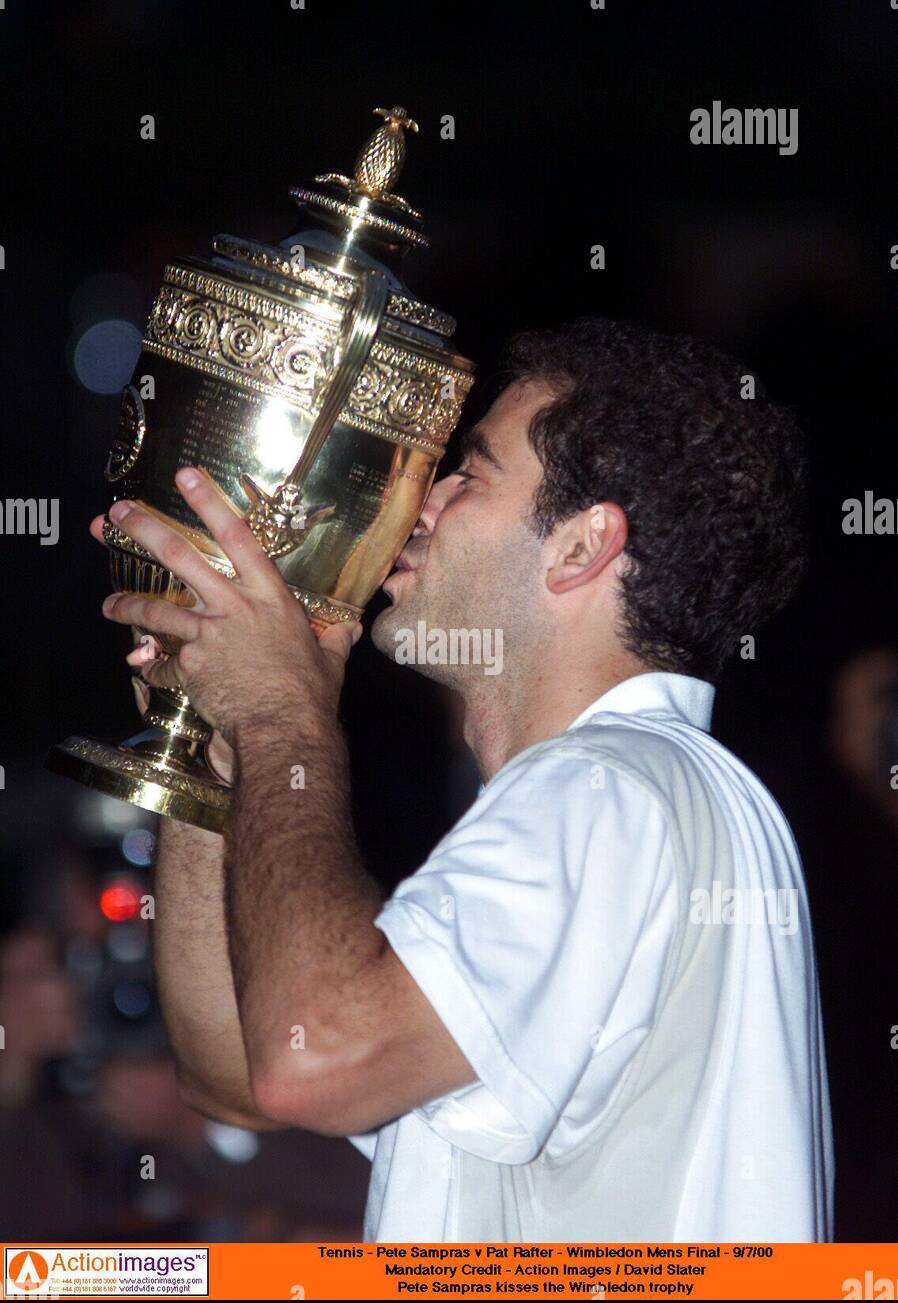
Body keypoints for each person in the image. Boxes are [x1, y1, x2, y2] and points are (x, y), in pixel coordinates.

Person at [92, 315, 834, 1242]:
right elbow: (242, 1076)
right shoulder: (643, 793)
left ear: (581, 546)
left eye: (469, 474)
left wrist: (284, 714)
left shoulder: (609, 789)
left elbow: (312, 1059)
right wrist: (222, 742)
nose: (418, 501)